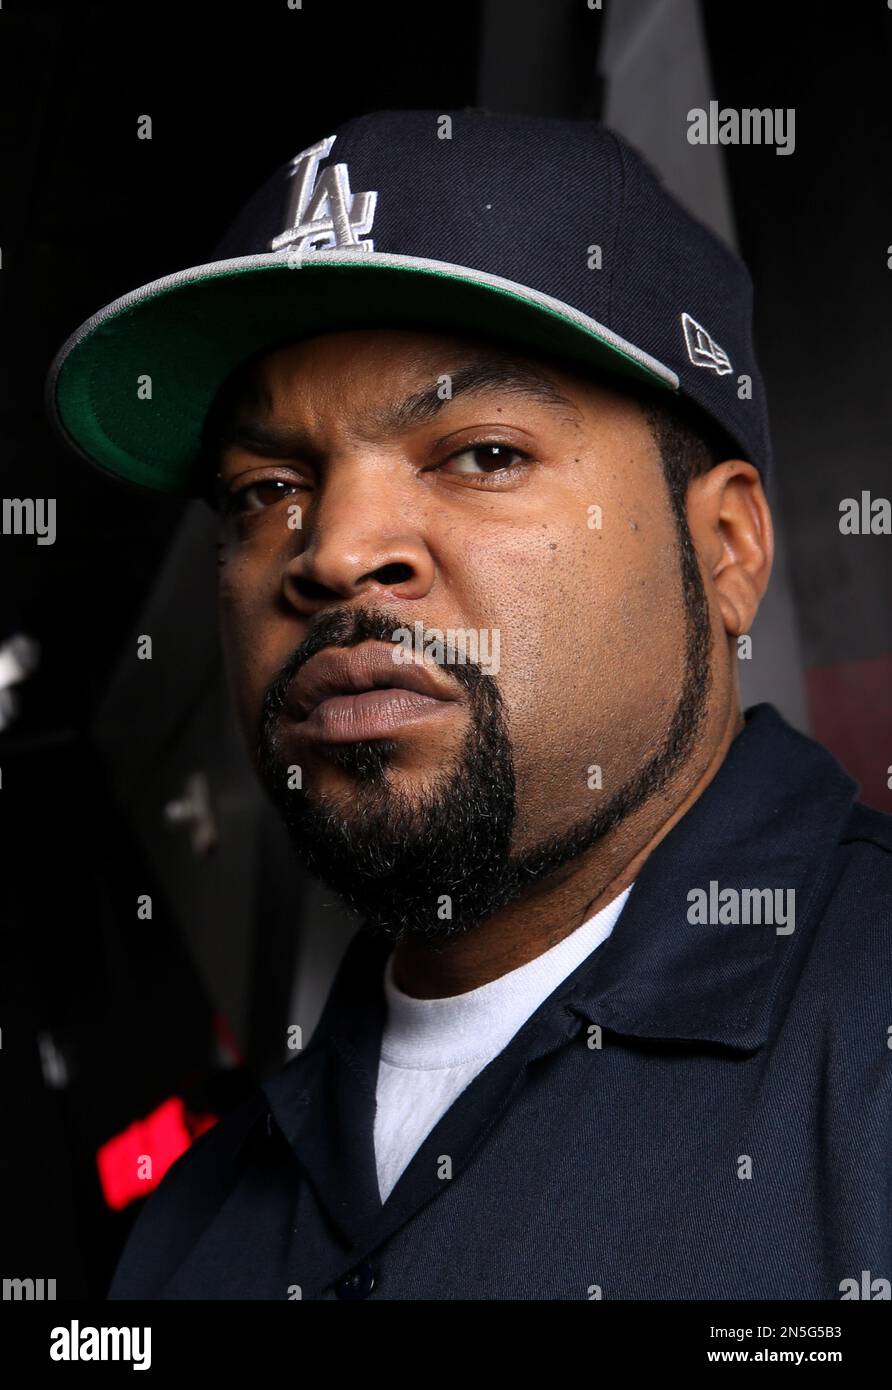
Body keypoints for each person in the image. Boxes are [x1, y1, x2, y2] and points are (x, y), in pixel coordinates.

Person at [47, 109, 892, 1300]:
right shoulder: (188, 1231)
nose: (333, 551)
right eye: (266, 487)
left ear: (725, 551)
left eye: (482, 453)